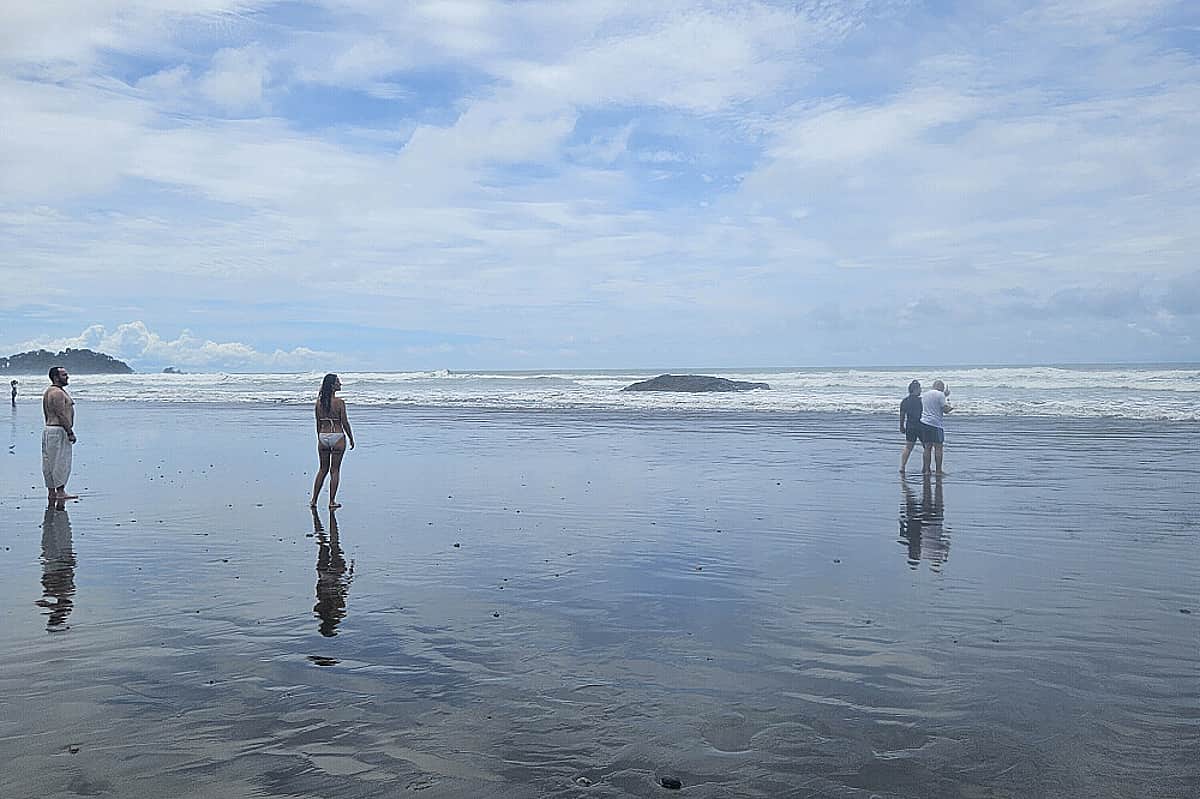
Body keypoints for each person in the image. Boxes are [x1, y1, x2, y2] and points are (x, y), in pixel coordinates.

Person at [309, 373, 354, 508]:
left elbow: (318, 423)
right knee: (334, 470)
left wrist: (319, 438)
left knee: (322, 469)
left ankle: (314, 500)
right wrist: (351, 437)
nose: (340, 384)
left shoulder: (319, 403)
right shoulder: (339, 402)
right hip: (337, 436)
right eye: (338, 382)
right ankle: (331, 501)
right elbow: (344, 422)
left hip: (323, 435)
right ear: (333, 386)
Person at [42, 367, 77, 503]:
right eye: (64, 375)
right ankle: (60, 492)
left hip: (50, 430)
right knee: (60, 461)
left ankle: (52, 492)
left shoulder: (49, 391)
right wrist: (70, 432)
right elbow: (61, 414)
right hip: (58, 430)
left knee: (49, 462)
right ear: (56, 377)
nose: (67, 376)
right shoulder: (57, 393)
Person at [920, 379, 952, 475]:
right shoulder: (940, 395)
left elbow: (934, 402)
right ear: (941, 387)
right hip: (936, 424)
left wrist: (945, 395)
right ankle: (938, 470)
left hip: (924, 422)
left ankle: (926, 470)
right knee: (938, 448)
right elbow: (944, 409)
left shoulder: (925, 394)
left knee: (927, 447)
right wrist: (951, 408)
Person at [899, 379, 923, 472]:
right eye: (920, 388)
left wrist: (901, 426)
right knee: (926, 447)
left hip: (910, 426)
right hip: (921, 426)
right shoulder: (921, 400)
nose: (921, 390)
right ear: (915, 389)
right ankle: (926, 467)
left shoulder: (905, 401)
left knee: (908, 447)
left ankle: (902, 466)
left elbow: (902, 415)